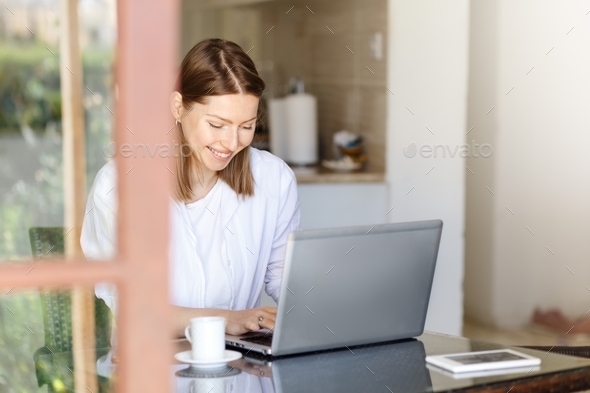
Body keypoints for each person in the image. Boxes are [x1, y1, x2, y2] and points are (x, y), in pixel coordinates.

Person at [81, 38, 301, 338]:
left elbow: (283, 277)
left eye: (246, 126)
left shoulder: (274, 179)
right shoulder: (118, 186)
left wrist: (322, 301)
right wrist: (227, 320)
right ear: (178, 107)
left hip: (239, 368)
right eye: (217, 124)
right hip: (156, 368)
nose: (232, 143)